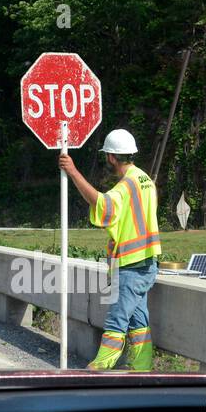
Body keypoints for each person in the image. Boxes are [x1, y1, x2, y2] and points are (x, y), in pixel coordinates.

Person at [59, 128, 161, 371]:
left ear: (111, 157)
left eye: (107, 155)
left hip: (131, 265)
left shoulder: (125, 187)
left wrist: (73, 172)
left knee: (117, 320)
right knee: (139, 321)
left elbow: (102, 205)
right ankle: (142, 368)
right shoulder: (145, 179)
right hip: (147, 263)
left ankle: (100, 368)